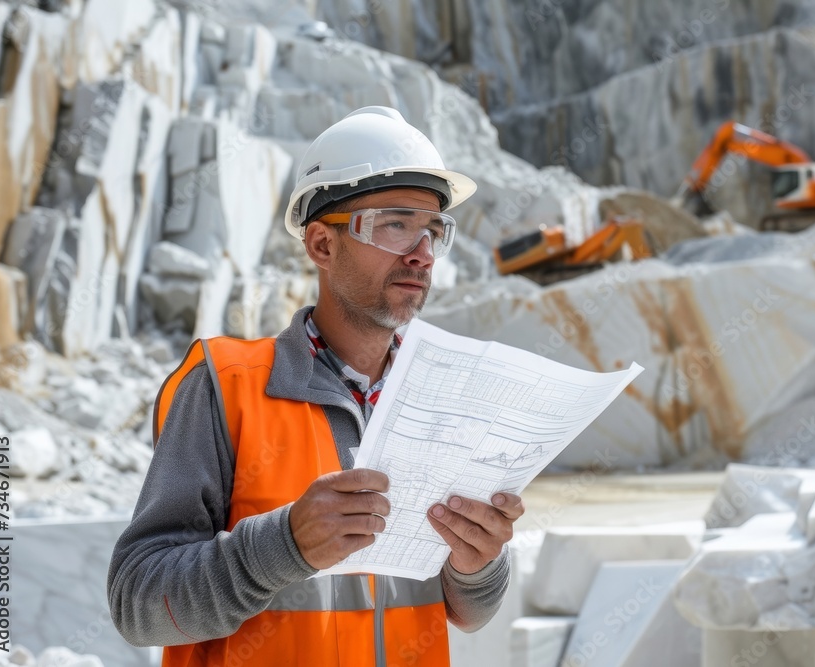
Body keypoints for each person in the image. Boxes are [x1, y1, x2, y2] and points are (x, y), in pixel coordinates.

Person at [108, 106, 524, 667]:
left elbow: (468, 611)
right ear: (322, 246)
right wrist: (283, 546)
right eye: (395, 223)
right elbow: (138, 607)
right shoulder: (226, 387)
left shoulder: (444, 400)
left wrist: (479, 563)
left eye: (432, 230)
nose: (421, 252)